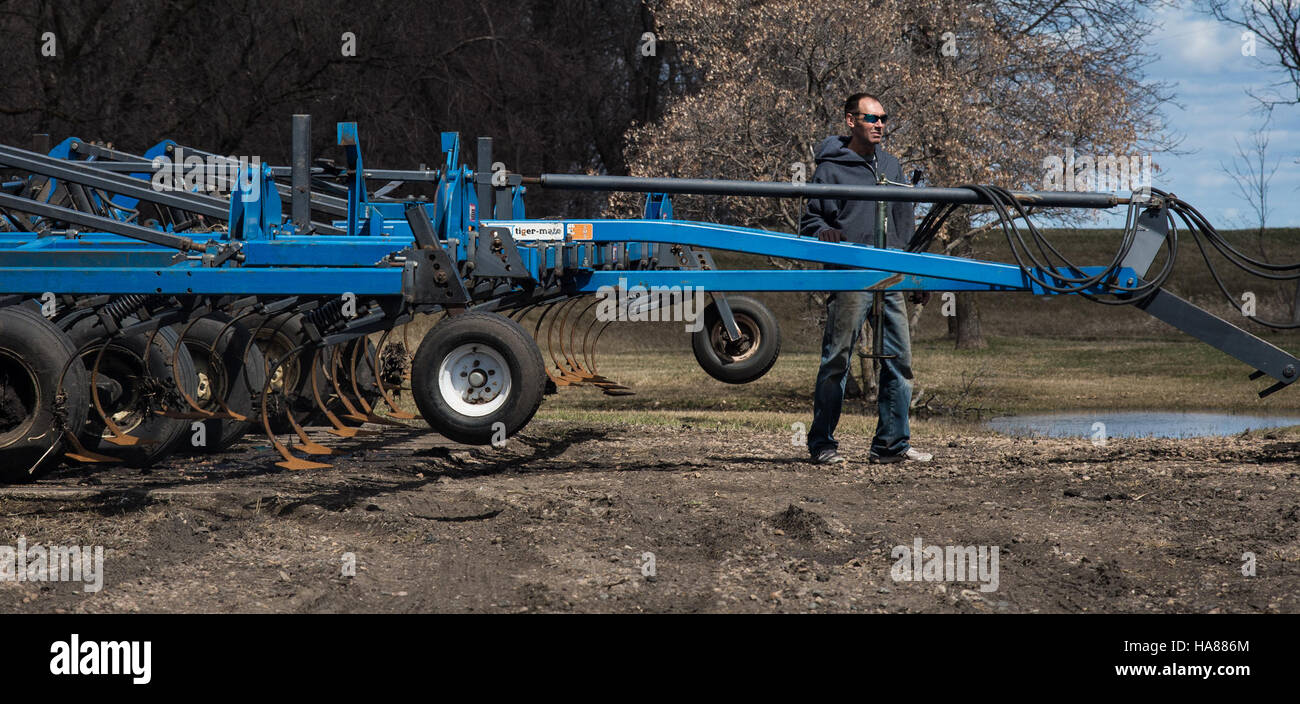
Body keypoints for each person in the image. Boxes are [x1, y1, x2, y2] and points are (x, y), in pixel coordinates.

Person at [800, 92, 933, 465]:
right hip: (851, 277)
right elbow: (810, 221)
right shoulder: (830, 168)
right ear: (850, 121)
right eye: (871, 118)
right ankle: (822, 443)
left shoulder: (892, 166)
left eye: (883, 119)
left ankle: (891, 446)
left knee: (900, 362)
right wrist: (824, 233)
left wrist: (917, 275)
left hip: (892, 276)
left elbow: (906, 226)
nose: (879, 125)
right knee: (836, 360)